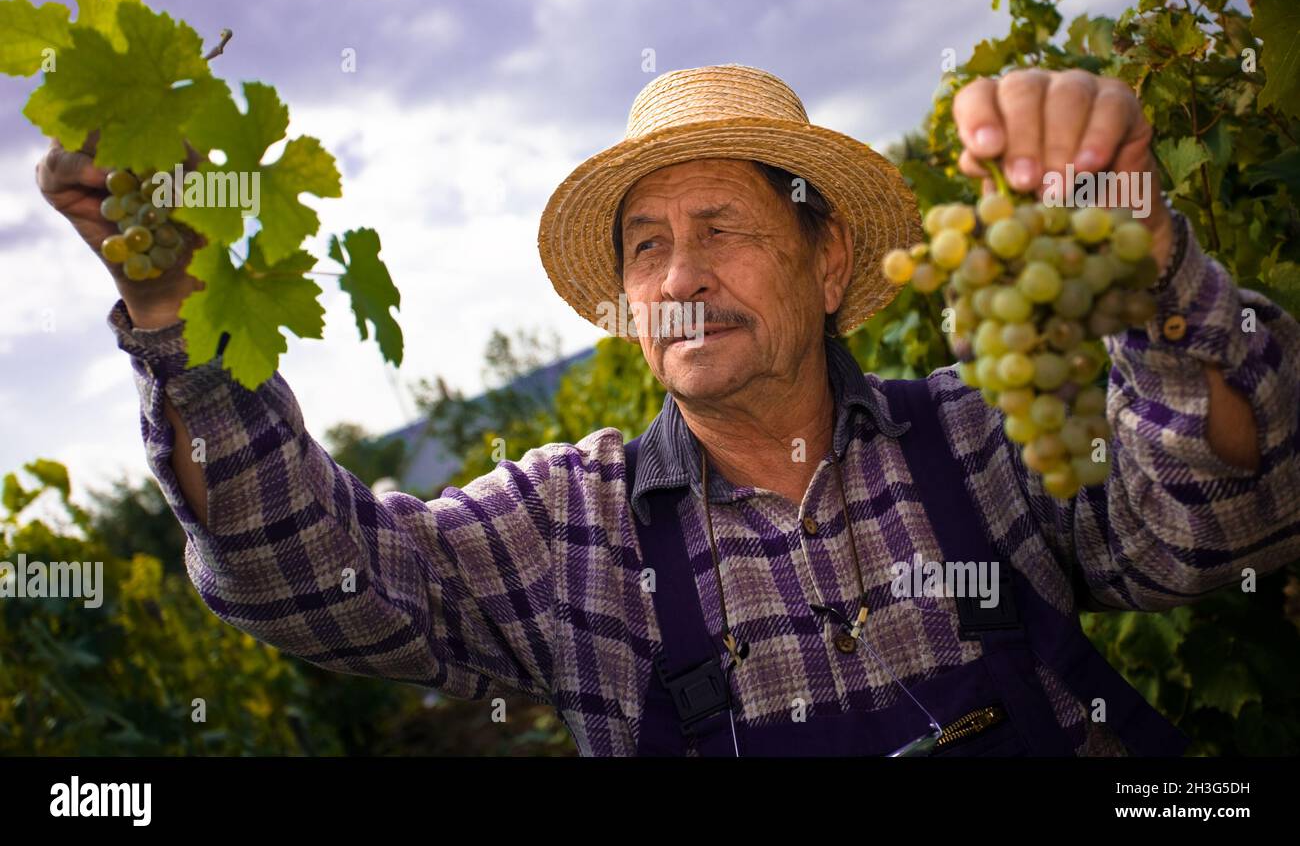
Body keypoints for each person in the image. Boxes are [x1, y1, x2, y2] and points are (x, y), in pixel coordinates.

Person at [36, 63, 1300, 756]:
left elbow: (1226, 533)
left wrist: (1151, 284)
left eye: (721, 230)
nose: (679, 275)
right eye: (645, 248)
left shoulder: (984, 434)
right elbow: (310, 581)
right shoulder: (559, 526)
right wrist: (176, 316)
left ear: (828, 265)